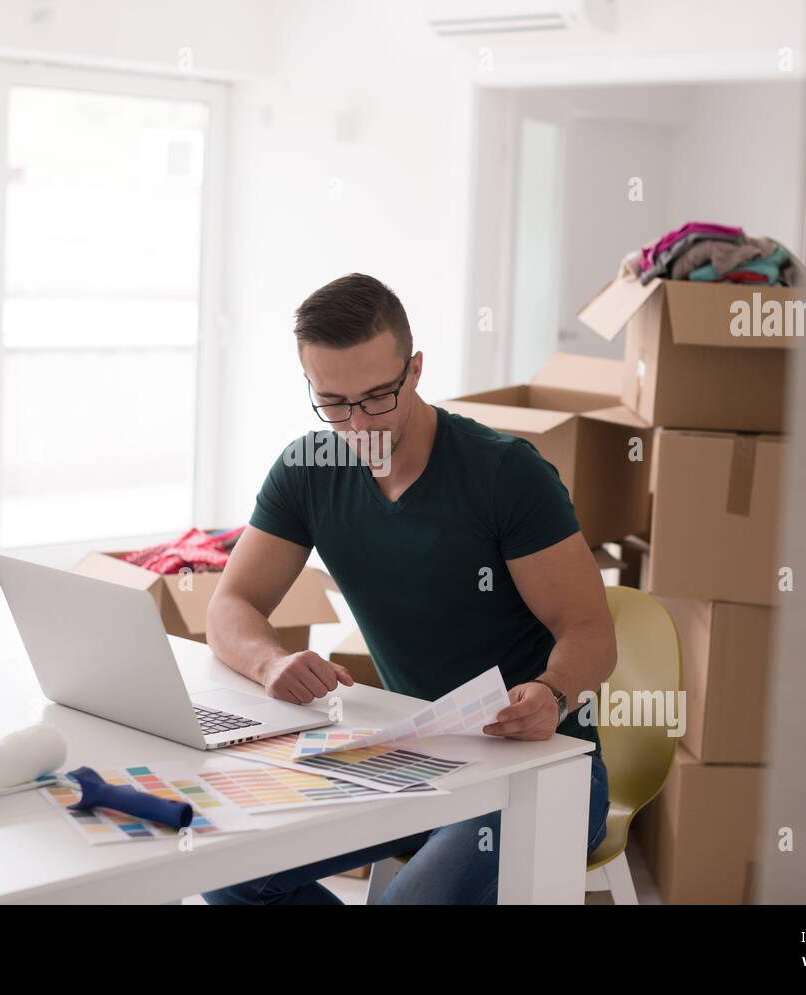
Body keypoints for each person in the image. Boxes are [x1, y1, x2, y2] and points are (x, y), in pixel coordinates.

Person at [202, 273, 614, 904]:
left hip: (542, 765)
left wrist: (554, 694)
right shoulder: (308, 470)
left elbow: (590, 631)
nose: (357, 421)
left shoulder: (505, 473)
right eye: (333, 402)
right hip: (403, 756)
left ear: (415, 370)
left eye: (377, 397)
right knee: (228, 868)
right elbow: (232, 604)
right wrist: (271, 661)